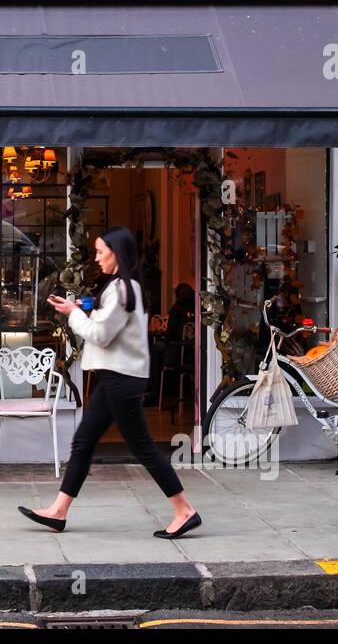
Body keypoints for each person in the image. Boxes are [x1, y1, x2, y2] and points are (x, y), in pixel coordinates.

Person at [19, 226, 202, 539]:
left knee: (142, 447)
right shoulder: (121, 287)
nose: (97, 257)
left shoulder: (122, 289)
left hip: (121, 379)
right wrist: (78, 310)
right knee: (84, 442)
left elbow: (100, 334)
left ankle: (185, 511)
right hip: (115, 377)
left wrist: (73, 313)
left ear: (117, 252)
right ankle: (58, 511)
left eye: (101, 251)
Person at [149, 282, 195, 401]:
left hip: (177, 352)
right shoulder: (197, 308)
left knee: (155, 349)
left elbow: (171, 335)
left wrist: (163, 336)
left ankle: (156, 392)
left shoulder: (177, 309)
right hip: (193, 352)